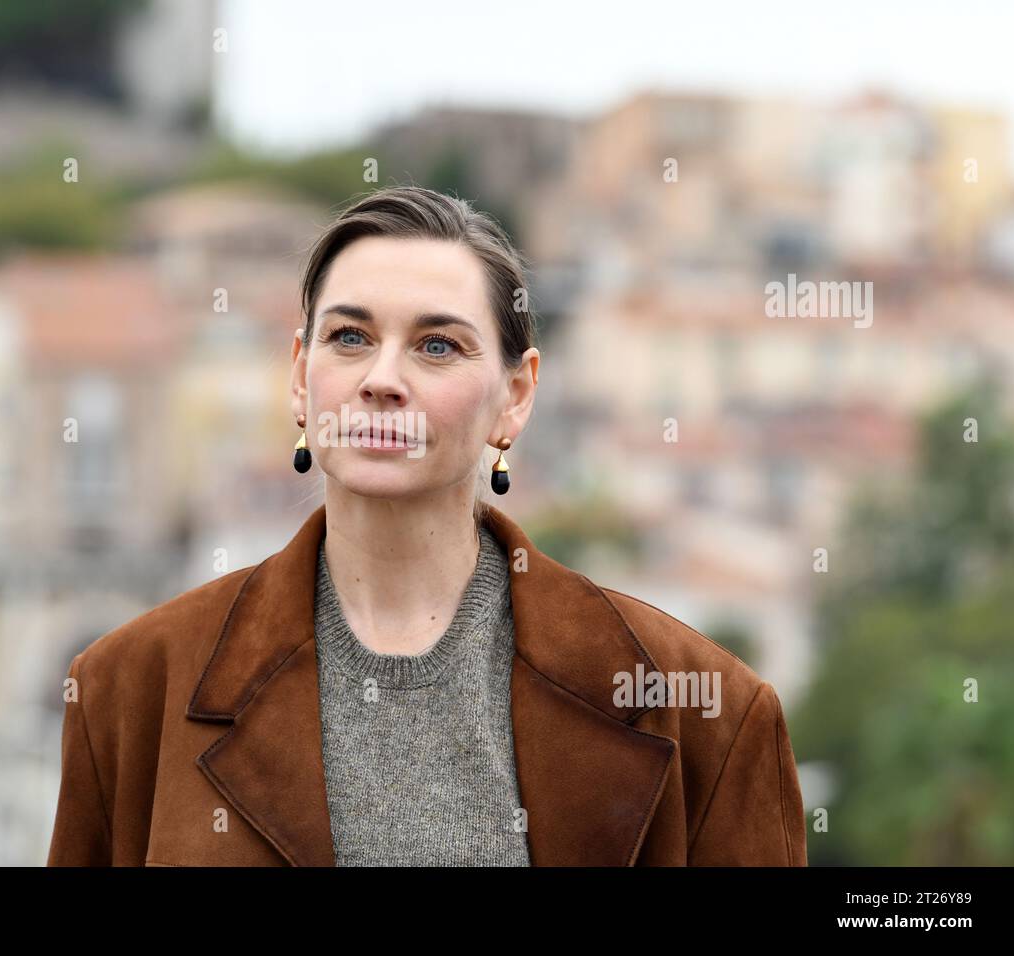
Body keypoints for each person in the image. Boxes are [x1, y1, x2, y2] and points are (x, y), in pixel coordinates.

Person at [47, 184, 808, 866]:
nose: (382, 380)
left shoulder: (706, 714)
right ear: (299, 378)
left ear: (515, 395)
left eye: (436, 345)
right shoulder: (128, 691)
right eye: (350, 337)